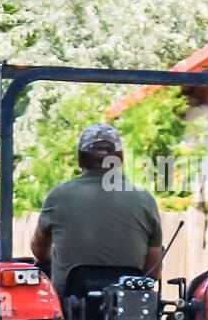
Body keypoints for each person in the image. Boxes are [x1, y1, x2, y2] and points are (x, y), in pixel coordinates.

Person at [31, 123, 164, 296]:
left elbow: (39, 250)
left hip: (70, 308)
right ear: (121, 159)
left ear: (79, 159)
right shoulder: (144, 200)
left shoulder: (58, 196)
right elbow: (153, 271)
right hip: (128, 309)